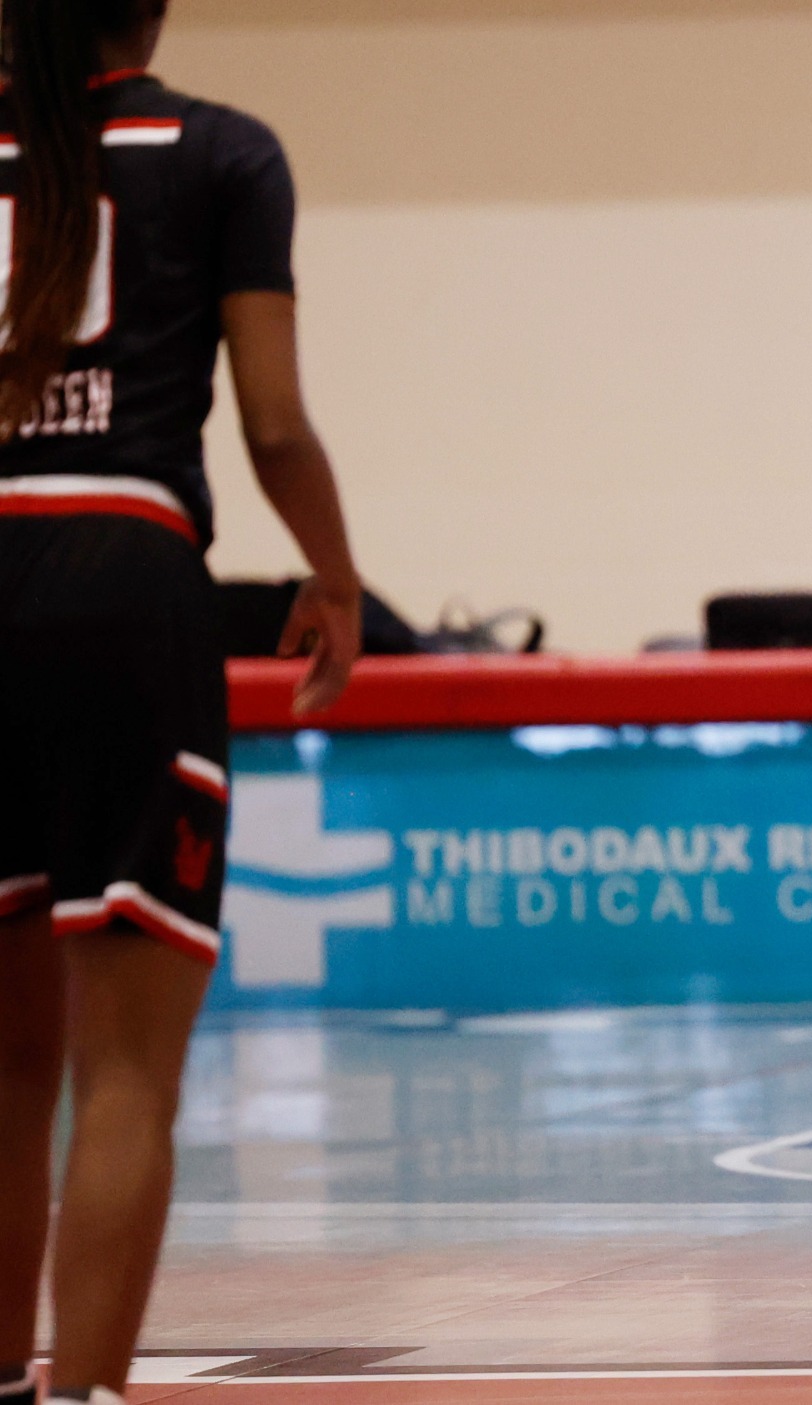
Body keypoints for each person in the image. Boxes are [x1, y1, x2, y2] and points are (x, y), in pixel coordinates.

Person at [0, 3, 362, 1401]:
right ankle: (85, 1394)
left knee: (9, 1064)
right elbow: (272, 423)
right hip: (118, 576)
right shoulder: (219, 152)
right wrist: (335, 576)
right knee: (124, 1070)